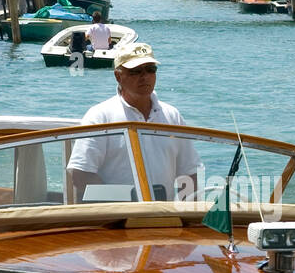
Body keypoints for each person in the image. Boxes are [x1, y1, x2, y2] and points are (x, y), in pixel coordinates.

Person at [67, 43, 200, 204]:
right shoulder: (99, 116)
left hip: (164, 220)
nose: (145, 76)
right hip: (115, 222)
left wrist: (188, 217)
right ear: (118, 76)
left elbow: (189, 173)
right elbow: (80, 174)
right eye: (136, 71)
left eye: (151, 69)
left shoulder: (173, 116)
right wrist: (123, 205)